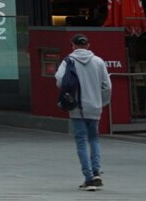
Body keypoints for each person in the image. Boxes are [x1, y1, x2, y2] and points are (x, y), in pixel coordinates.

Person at [59, 33, 112, 190]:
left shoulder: (68, 61)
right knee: (94, 139)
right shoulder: (98, 61)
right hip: (95, 107)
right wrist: (101, 102)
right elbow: (107, 86)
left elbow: (60, 80)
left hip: (77, 107)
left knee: (81, 141)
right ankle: (96, 172)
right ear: (88, 46)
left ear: (73, 45)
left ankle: (88, 179)